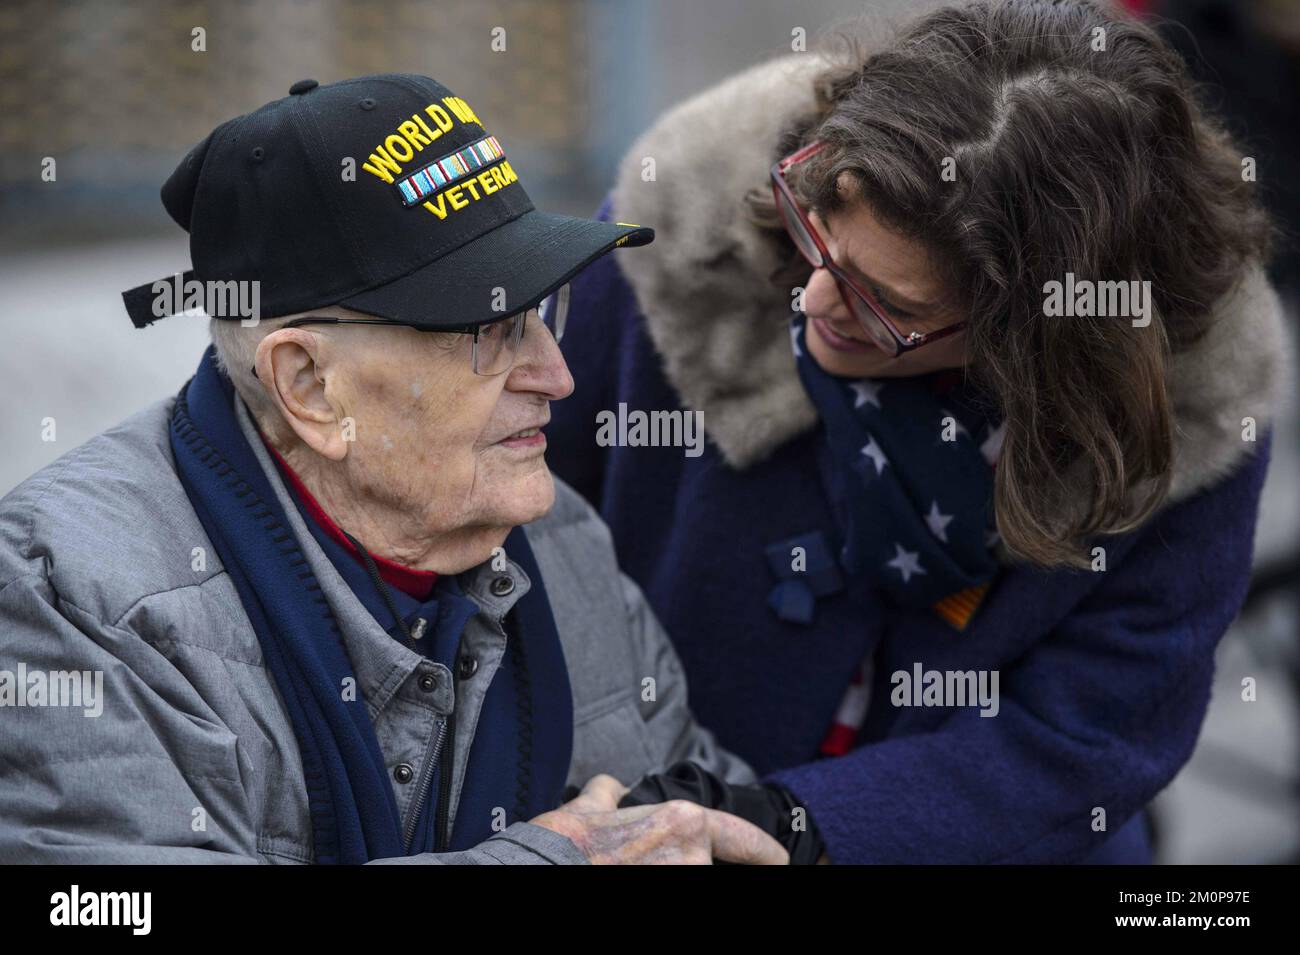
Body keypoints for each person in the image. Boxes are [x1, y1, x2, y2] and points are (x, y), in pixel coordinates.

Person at [548, 0, 1292, 863]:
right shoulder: (676, 242)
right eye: (816, 230)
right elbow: (508, 532)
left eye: (889, 305)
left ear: (1035, 341)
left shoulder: (1191, 417)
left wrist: (799, 824)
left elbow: (1086, 739)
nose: (814, 298)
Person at [0, 74, 802, 865]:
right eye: (491, 327)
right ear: (310, 387)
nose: (556, 375)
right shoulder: (74, 595)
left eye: (542, 309)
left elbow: (697, 830)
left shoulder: (565, 543)